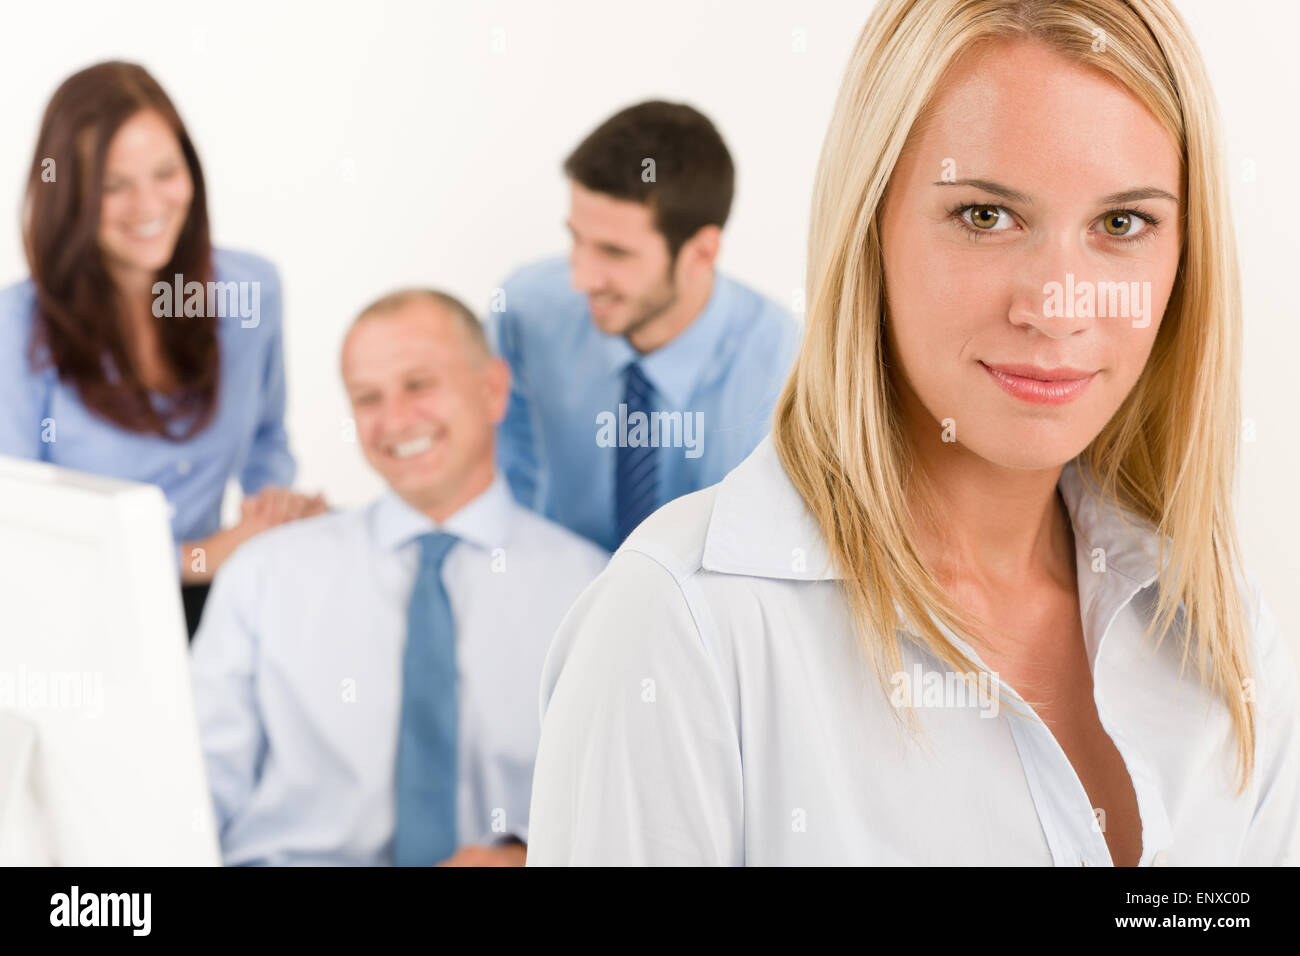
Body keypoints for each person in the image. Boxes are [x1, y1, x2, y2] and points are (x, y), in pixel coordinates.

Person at [526, 0, 1299, 866]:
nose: (1057, 307)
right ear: (870, 228)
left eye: (1123, 224)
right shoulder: (681, 627)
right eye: (984, 215)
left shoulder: (1223, 631)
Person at [190, 289, 608, 866]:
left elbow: (628, 804)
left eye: (419, 384)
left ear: (492, 390)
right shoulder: (265, 576)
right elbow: (190, 794)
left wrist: (535, 858)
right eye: (367, 398)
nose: (395, 420)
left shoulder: (592, 590)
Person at [0, 61, 324, 639]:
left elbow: (268, 438)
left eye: (165, 172)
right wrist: (213, 551)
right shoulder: (17, 325)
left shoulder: (251, 292)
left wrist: (273, 510)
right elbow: (24, 533)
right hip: (74, 626)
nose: (148, 205)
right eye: (112, 186)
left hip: (221, 605)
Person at [489, 100, 801, 552]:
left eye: (615, 252)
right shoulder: (525, 311)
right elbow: (496, 484)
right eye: (577, 239)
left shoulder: (784, 366)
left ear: (700, 254)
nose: (582, 278)